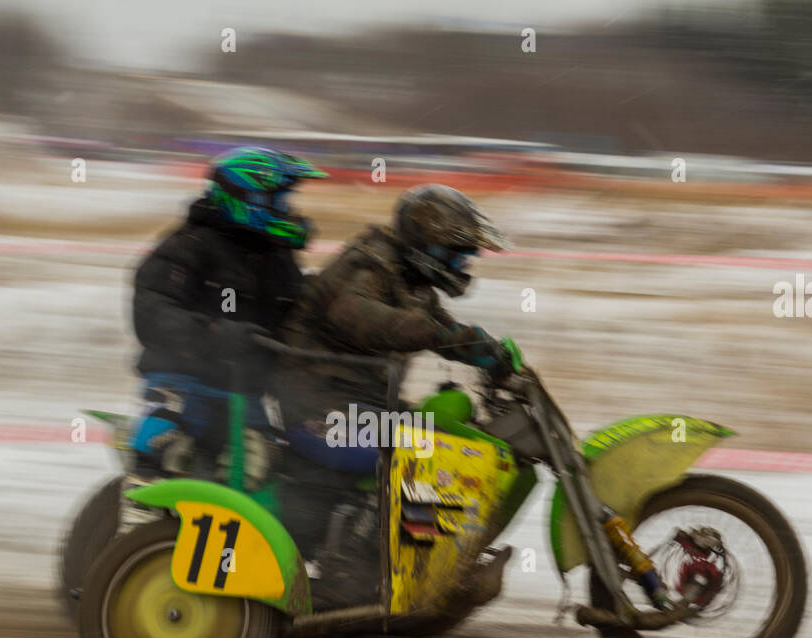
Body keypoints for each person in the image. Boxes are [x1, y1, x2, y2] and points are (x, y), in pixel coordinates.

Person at [275, 184, 519, 607]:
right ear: (429, 245)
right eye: (457, 253)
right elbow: (367, 319)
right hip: (319, 410)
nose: (464, 263)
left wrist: (494, 359)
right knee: (416, 452)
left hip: (359, 406)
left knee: (451, 441)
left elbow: (448, 334)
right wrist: (448, 337)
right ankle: (346, 574)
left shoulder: (413, 280)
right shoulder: (366, 268)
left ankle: (424, 563)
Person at [129, 146, 327, 479]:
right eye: (277, 202)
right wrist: (215, 333)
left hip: (244, 393)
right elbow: (151, 313)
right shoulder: (188, 246)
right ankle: (138, 518)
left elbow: (297, 320)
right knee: (164, 446)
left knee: (265, 468)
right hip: (183, 382)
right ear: (247, 198)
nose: (286, 211)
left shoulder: (277, 259)